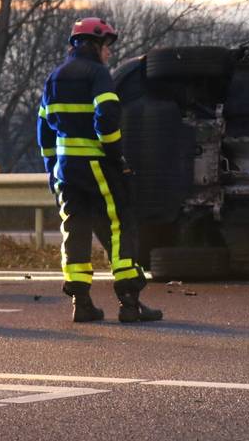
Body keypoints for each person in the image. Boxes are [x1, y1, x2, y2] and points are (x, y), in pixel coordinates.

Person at [37, 17, 161, 323]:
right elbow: (106, 115)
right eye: (108, 46)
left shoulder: (54, 77)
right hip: (97, 163)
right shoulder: (98, 74)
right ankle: (129, 302)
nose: (109, 53)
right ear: (95, 44)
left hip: (66, 169)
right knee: (119, 224)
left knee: (75, 228)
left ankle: (81, 303)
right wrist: (115, 154)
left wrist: (53, 167)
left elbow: (43, 129)